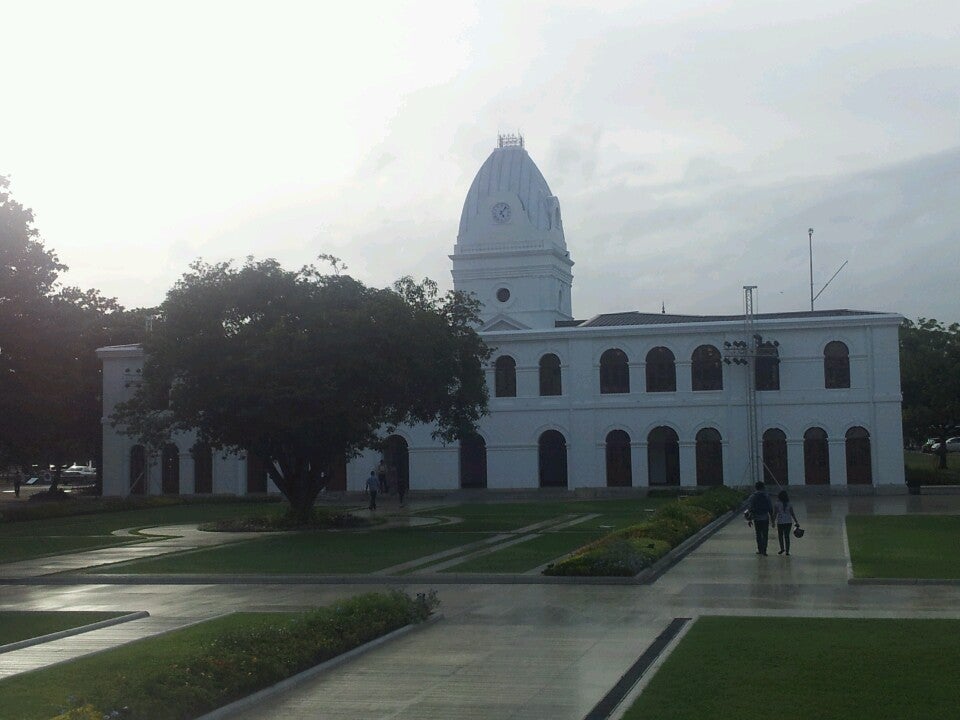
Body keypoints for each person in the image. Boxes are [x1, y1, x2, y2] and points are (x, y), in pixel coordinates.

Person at [747, 481, 774, 555]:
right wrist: (772, 519)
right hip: (765, 518)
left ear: (756, 487)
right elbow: (770, 508)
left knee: (758, 534)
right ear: (763, 487)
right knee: (765, 534)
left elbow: (750, 509)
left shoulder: (752, 497)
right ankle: (764, 550)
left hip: (756, 518)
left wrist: (749, 520)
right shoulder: (766, 496)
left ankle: (760, 549)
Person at [774, 490, 800, 555]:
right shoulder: (789, 503)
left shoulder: (777, 504)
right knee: (787, 536)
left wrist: (772, 521)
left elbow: (775, 513)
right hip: (788, 522)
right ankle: (787, 551)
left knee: (780, 536)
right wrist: (796, 521)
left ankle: (782, 549)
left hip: (780, 522)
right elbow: (792, 513)